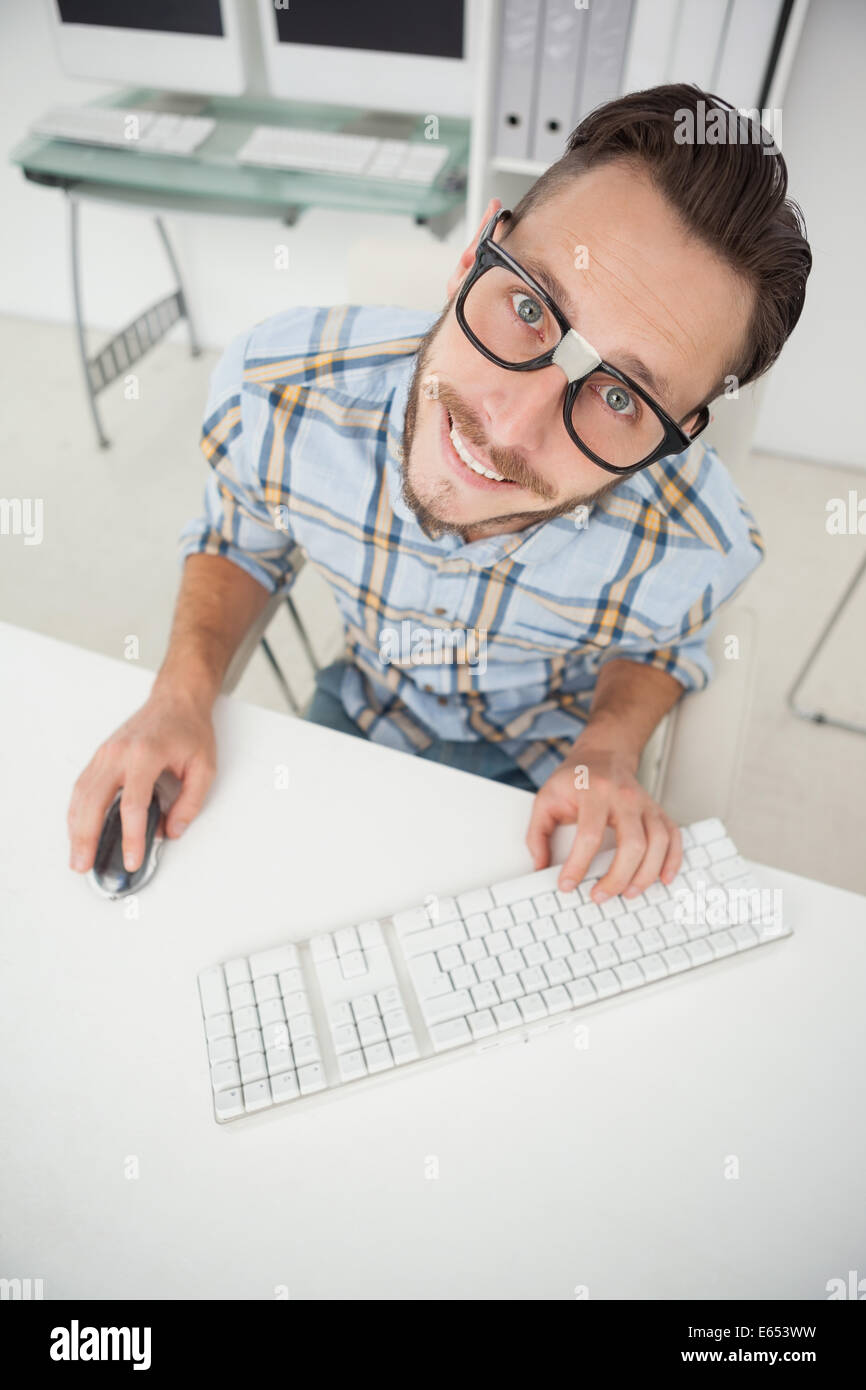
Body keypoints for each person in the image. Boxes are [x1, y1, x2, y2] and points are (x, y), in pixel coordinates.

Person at [67, 84, 811, 903]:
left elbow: (664, 641)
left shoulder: (695, 538)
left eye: (621, 396)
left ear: (678, 438)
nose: (510, 428)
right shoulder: (283, 393)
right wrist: (178, 693)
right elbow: (242, 537)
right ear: (471, 259)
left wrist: (608, 747)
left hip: (549, 762)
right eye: (530, 307)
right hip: (360, 711)